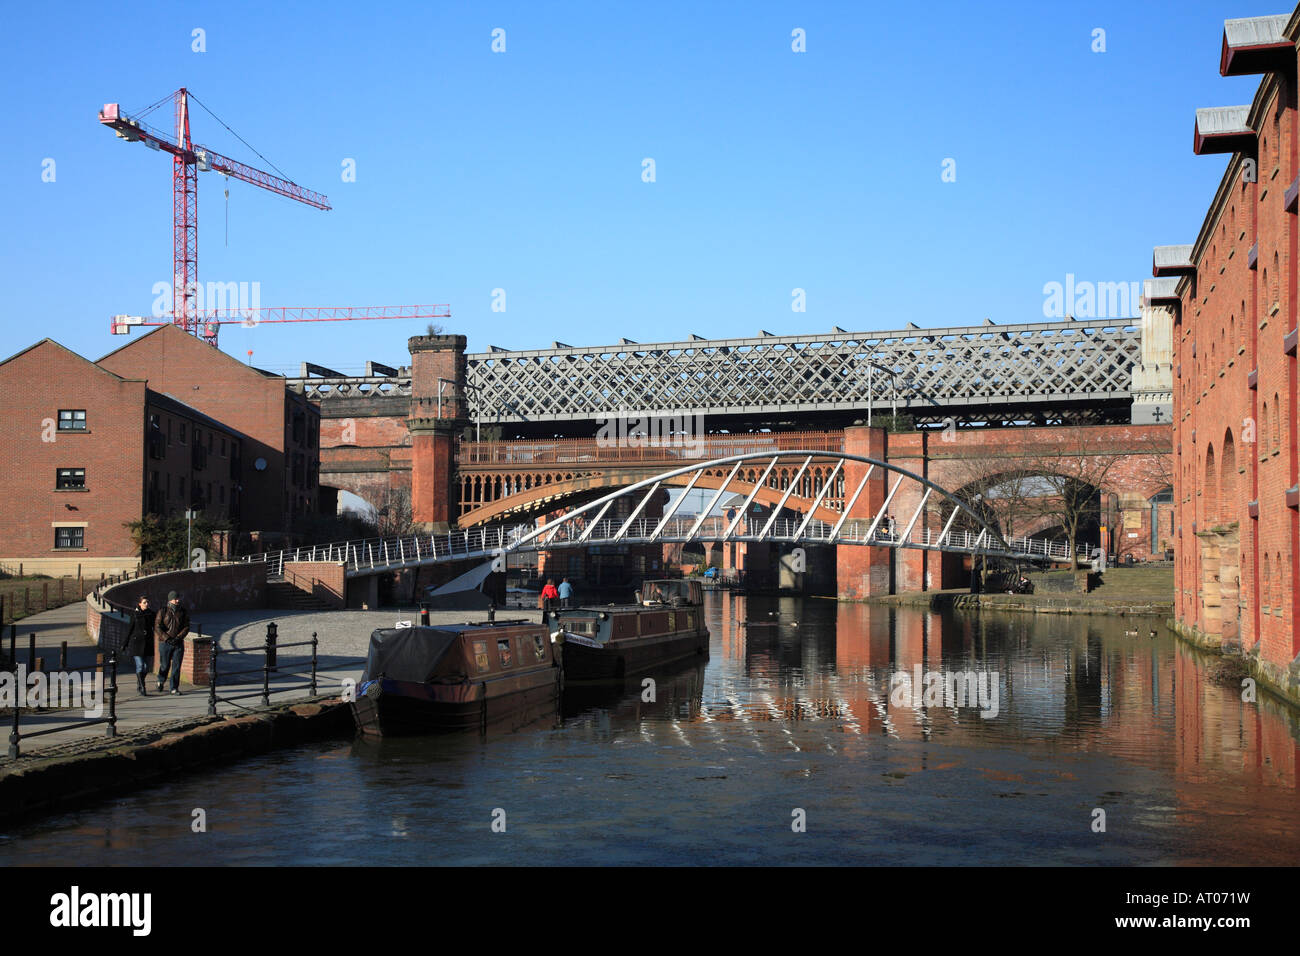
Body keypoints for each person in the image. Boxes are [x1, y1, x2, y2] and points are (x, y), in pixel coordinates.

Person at [155, 590, 190, 695]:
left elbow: (186, 626)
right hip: (165, 643)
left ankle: (174, 688)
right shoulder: (163, 611)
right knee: (165, 665)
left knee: (176, 666)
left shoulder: (183, 611)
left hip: (178, 643)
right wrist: (167, 638)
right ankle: (160, 681)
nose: (178, 600)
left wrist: (178, 637)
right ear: (170, 599)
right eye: (176, 598)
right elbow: (157, 626)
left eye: (178, 598)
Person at [123, 595, 156, 696]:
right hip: (137, 643)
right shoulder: (135, 614)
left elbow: (156, 626)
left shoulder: (151, 613)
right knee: (140, 665)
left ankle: (140, 680)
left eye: (147, 602)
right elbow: (130, 629)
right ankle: (142, 687)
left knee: (146, 667)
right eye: (145, 602)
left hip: (148, 643)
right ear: (139, 604)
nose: (147, 604)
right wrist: (125, 643)